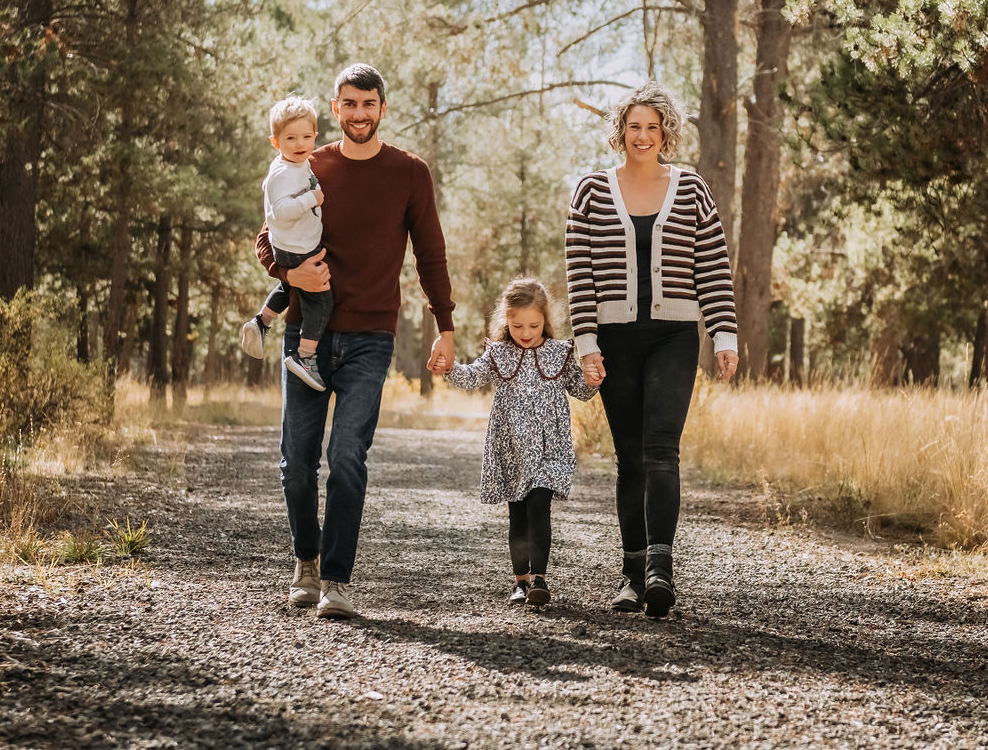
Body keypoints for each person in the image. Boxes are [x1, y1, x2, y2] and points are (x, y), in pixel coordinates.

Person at [256, 63, 456, 620]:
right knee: (297, 462)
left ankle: (337, 581)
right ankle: (306, 563)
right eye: (348, 104)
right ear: (335, 108)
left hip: (371, 336)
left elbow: (431, 254)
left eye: (368, 104)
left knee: (347, 456)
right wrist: (288, 276)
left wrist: (446, 326)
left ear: (382, 108)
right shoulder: (307, 163)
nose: (358, 114)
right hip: (305, 333)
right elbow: (267, 234)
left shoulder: (409, 173)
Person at [565, 81, 738, 619]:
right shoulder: (591, 190)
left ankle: (661, 571)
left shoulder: (691, 189)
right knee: (629, 459)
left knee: (661, 449)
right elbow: (580, 271)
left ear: (666, 133)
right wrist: (586, 341)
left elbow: (712, 263)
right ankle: (631, 574)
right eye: (634, 126)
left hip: (674, 335)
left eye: (653, 127)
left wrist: (724, 332)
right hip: (615, 339)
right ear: (621, 132)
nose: (643, 136)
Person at [435, 278, 598, 608]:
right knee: (518, 516)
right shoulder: (499, 355)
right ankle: (520, 581)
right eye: (517, 324)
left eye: (534, 325)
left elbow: (580, 390)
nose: (525, 332)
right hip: (511, 451)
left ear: (545, 321)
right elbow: (471, 377)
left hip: (551, 449)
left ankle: (540, 579)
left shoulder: (559, 354)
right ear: (505, 321)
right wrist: (449, 367)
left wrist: (592, 380)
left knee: (540, 505)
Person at [240, 96, 331, 392]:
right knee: (319, 298)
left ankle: (262, 321)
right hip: (296, 248)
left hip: (293, 245)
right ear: (275, 142)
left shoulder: (298, 163)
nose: (300, 143)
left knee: (289, 286)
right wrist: (311, 199)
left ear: (315, 136)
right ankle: (305, 356)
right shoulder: (281, 173)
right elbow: (279, 211)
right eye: (290, 138)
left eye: (306, 136)